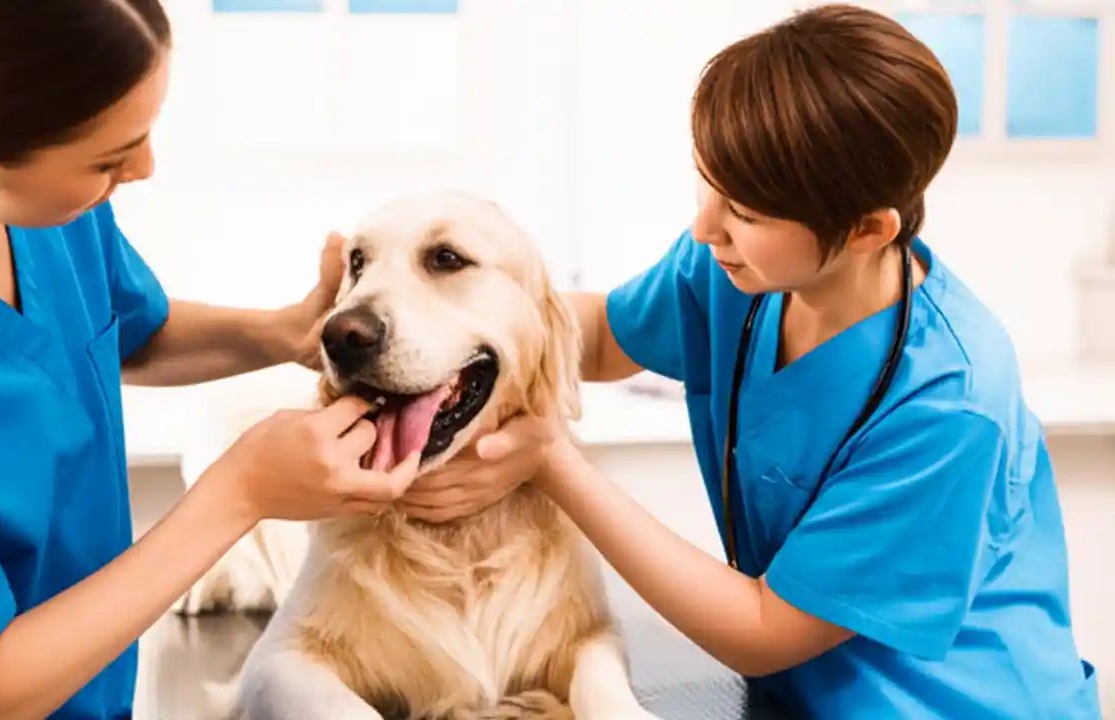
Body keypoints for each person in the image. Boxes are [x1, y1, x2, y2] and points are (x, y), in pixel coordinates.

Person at [402, 4, 1100, 718]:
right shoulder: (735, 272)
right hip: (796, 699)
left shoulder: (950, 404)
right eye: (709, 182)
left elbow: (765, 632)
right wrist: (419, 325)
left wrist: (553, 464)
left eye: (748, 212)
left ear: (867, 229)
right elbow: (604, 338)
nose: (707, 226)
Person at [0, 2, 420, 719]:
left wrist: (282, 334)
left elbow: (124, 331)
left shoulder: (44, 209)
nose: (143, 169)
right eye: (109, 160)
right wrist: (239, 492)